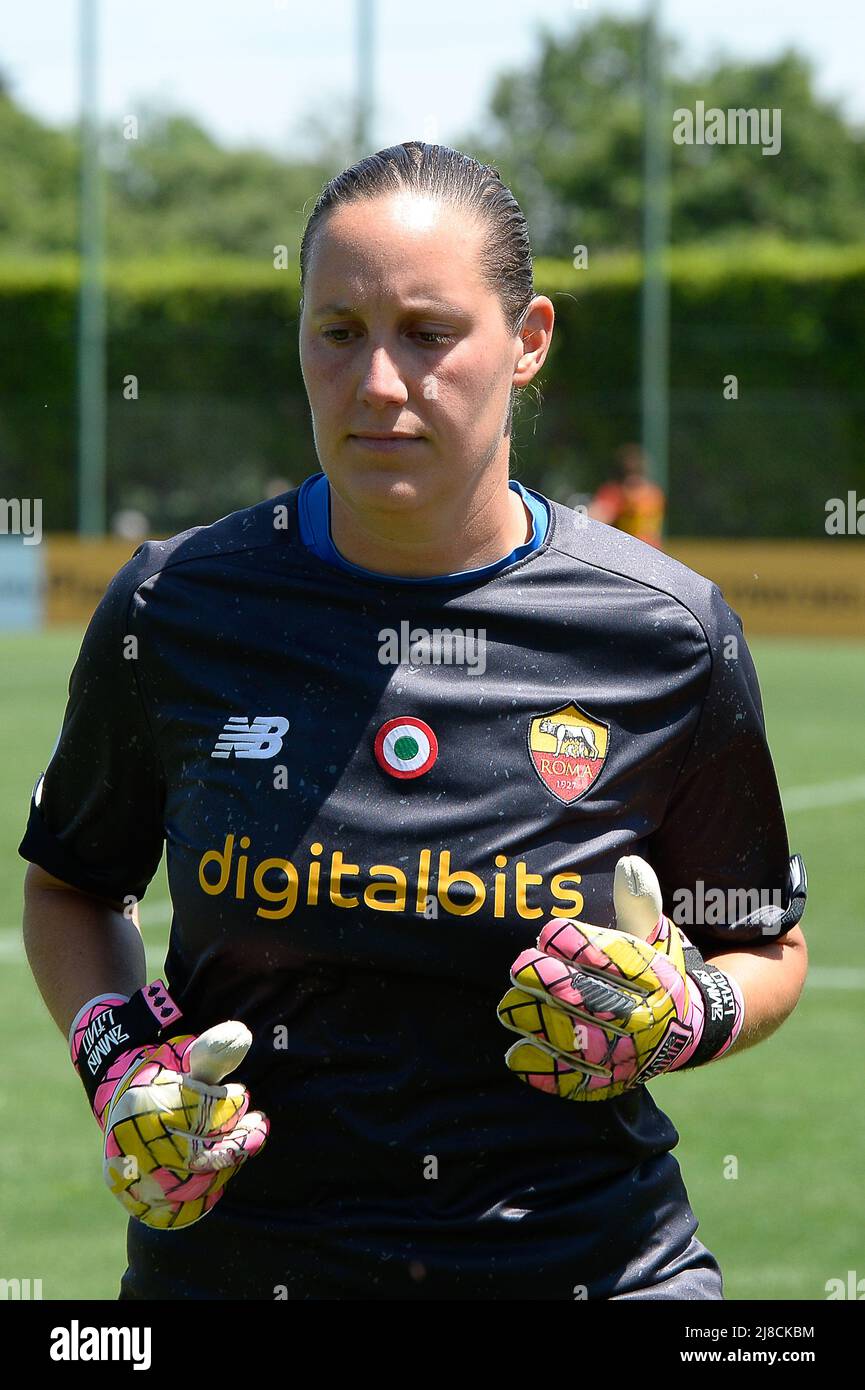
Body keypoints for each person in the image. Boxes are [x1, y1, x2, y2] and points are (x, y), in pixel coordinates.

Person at [19, 141, 808, 1301]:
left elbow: (763, 940)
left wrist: (690, 1011)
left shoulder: (665, 631)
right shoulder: (174, 607)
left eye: (429, 333)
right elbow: (73, 886)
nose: (380, 384)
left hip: (591, 1273)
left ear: (528, 340)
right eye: (338, 333)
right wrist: (123, 1062)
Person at [588, 442, 666, 548]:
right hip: (654, 555)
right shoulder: (655, 493)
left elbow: (592, 520)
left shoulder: (616, 493)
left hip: (626, 554)